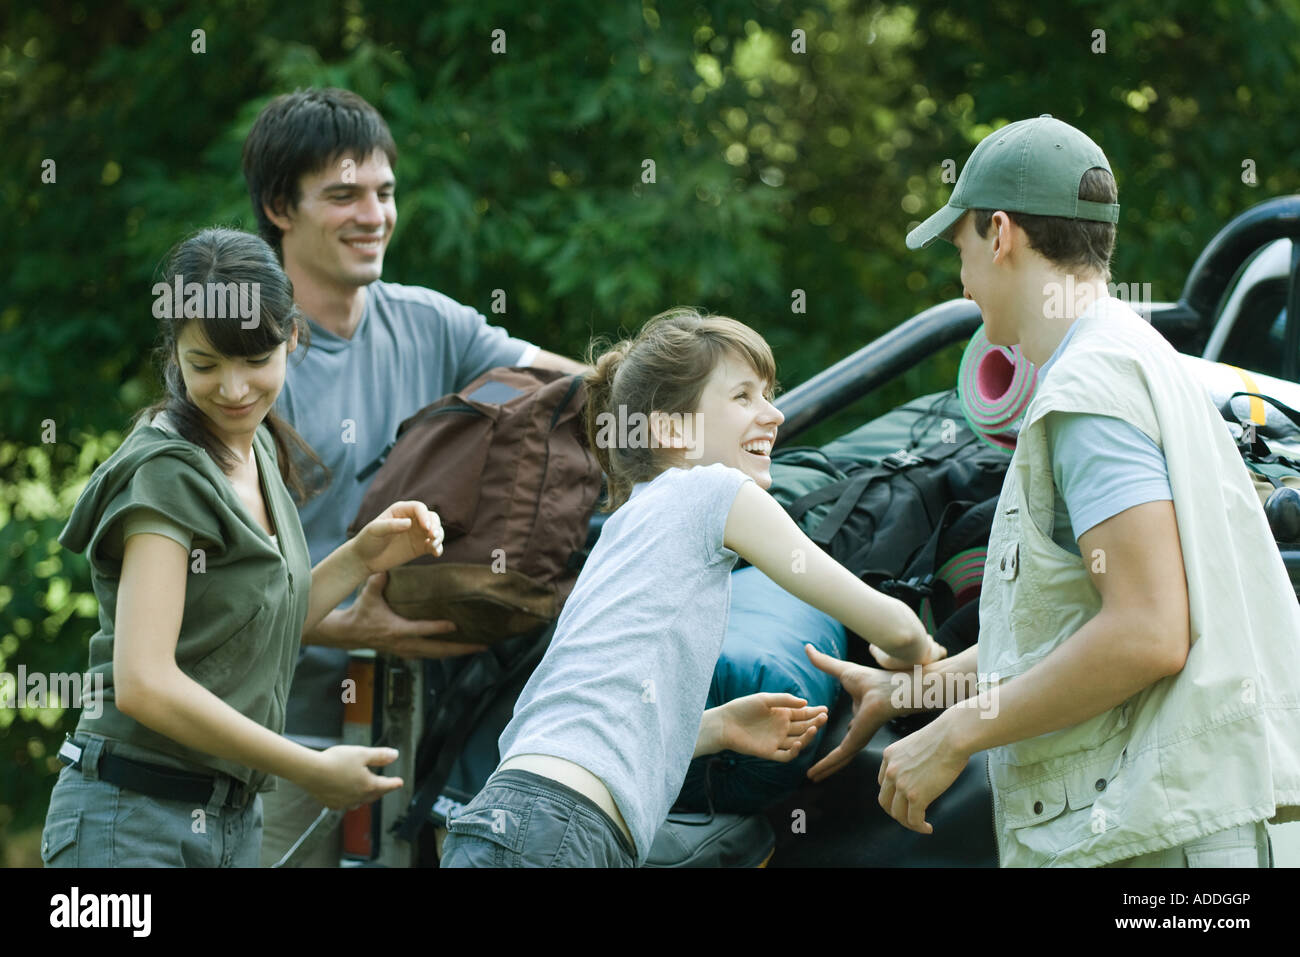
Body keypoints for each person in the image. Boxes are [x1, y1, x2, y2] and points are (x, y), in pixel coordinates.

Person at [809, 114, 1300, 867]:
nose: (963, 280)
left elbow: (1145, 632)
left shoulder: (1091, 388)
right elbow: (1078, 628)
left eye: (961, 247)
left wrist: (958, 730)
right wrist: (919, 690)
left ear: (1000, 232)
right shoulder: (1140, 359)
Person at [439, 308, 946, 867]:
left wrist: (717, 727)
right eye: (744, 397)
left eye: (769, 394)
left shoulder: (624, 529)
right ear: (672, 429)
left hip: (502, 815)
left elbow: (588, 714)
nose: (773, 413)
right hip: (562, 830)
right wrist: (919, 650)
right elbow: (885, 620)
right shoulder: (715, 491)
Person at [240, 88, 590, 865]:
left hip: (421, 728)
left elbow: (575, 387)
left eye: (385, 192)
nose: (374, 215)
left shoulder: (430, 322)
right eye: (343, 195)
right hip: (272, 736)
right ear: (279, 207)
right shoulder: (245, 365)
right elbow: (211, 595)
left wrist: (688, 416)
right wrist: (343, 622)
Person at [41, 228, 450, 867]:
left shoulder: (253, 449)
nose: (233, 390)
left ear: (291, 337)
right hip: (133, 821)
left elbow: (262, 624)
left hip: (227, 822)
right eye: (205, 365)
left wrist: (362, 558)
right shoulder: (167, 472)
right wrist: (308, 768)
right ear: (173, 352)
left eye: (255, 360)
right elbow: (143, 683)